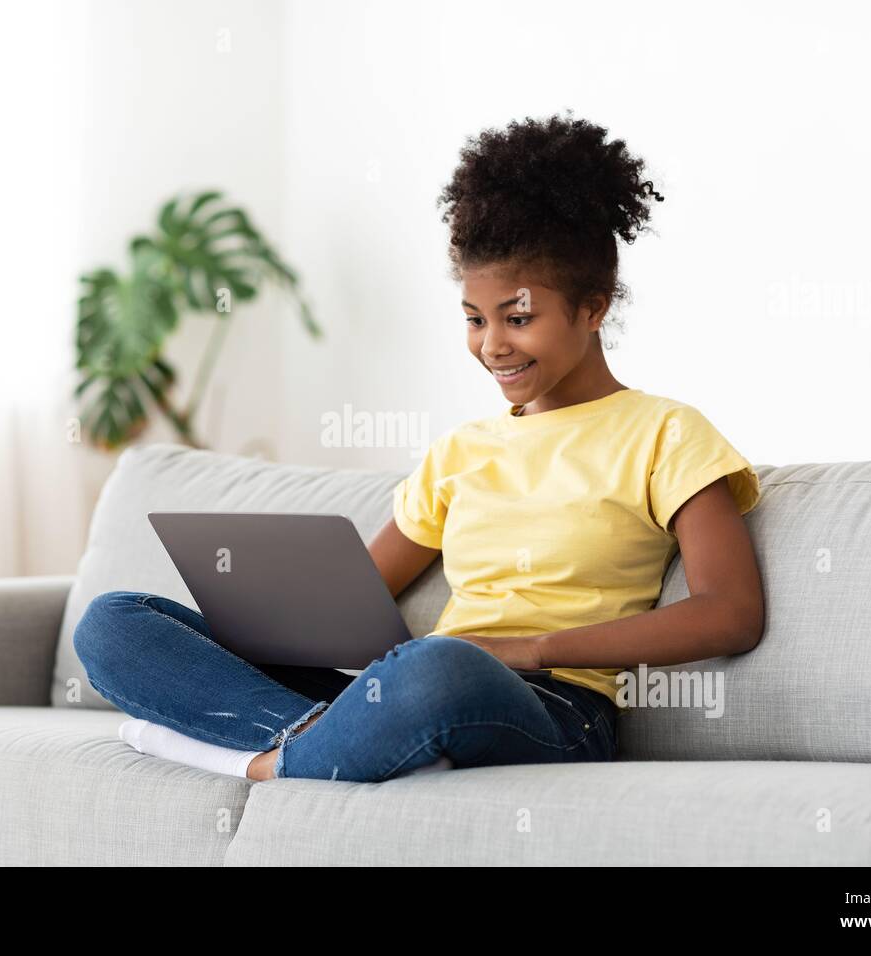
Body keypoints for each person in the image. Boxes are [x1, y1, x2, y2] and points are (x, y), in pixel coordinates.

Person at [73, 111, 765, 783]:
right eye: (474, 319)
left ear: (594, 306)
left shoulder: (665, 432)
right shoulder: (462, 452)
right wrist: (263, 611)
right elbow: (355, 609)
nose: (492, 345)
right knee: (114, 622)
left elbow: (730, 612)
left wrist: (524, 648)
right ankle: (335, 746)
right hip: (398, 690)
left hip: (548, 707)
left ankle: (256, 760)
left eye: (518, 318)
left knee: (437, 668)